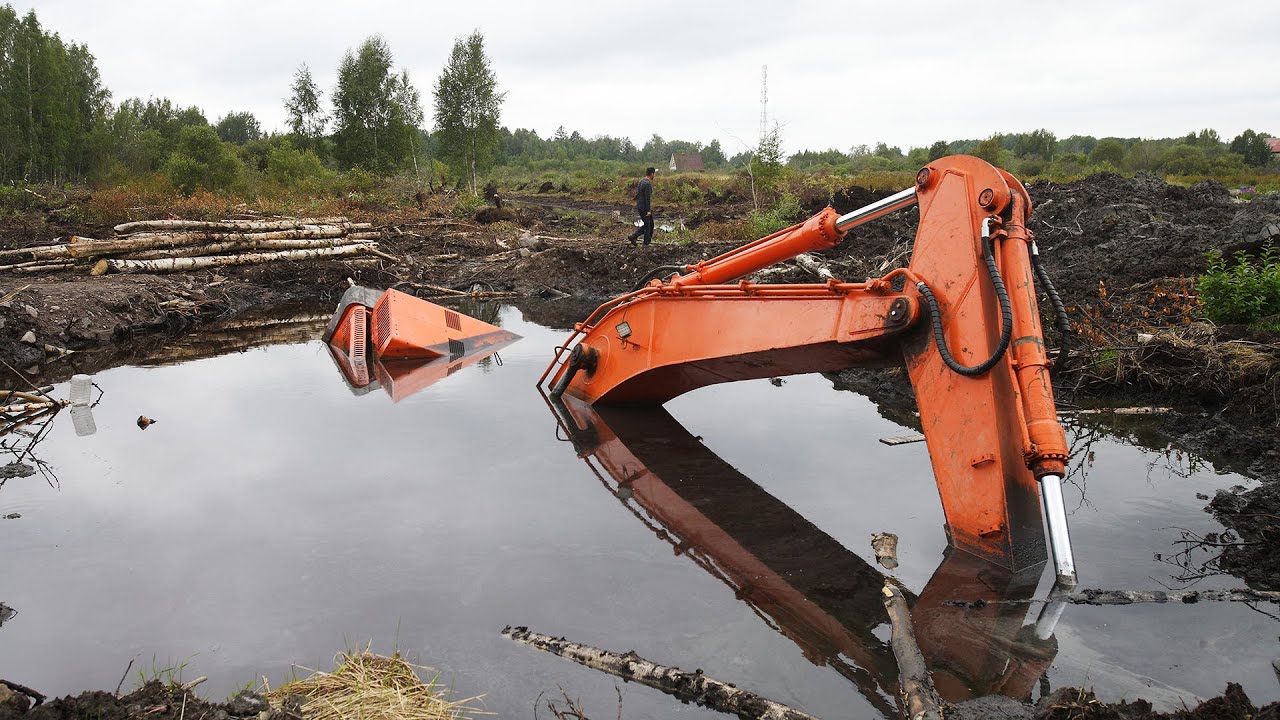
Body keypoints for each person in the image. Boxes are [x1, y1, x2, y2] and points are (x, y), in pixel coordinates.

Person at [627, 167, 656, 246]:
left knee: (650, 224)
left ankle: (634, 236)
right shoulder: (647, 184)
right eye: (654, 174)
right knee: (648, 225)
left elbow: (639, 195)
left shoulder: (641, 182)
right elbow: (647, 198)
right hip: (644, 207)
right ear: (652, 174)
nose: (655, 176)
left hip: (640, 206)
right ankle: (646, 243)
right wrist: (648, 210)